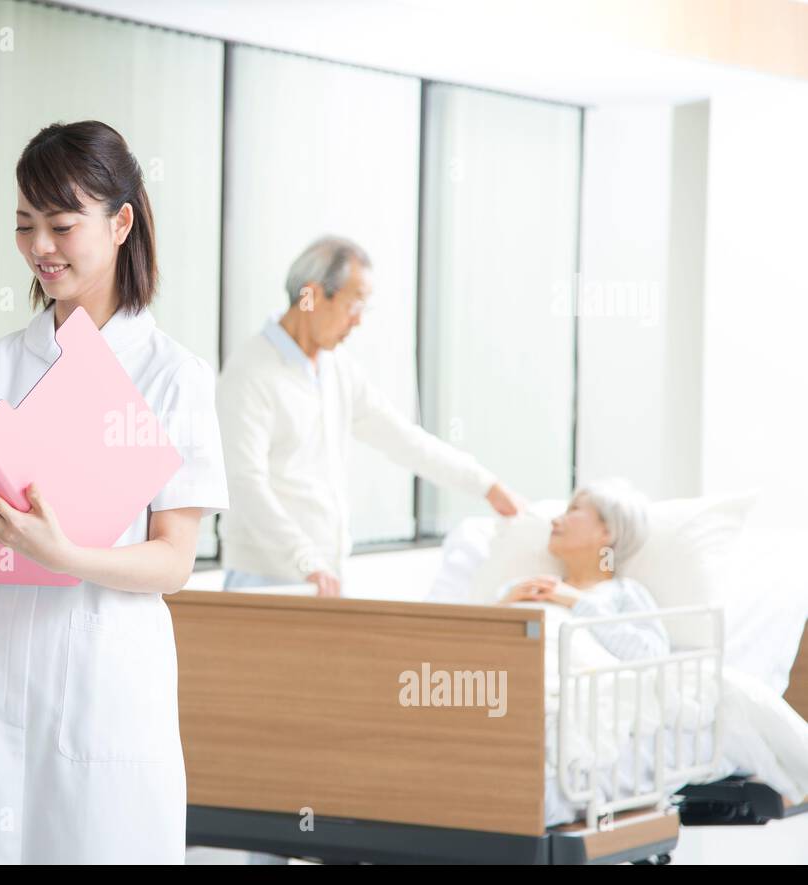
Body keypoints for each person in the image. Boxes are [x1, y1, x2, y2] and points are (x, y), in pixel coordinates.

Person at [0, 121, 228, 864]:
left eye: (61, 225)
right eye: (25, 225)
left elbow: (173, 561)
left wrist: (60, 551)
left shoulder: (170, 374)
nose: (39, 248)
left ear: (120, 222)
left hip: (106, 674)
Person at [217, 236, 522, 596]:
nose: (358, 321)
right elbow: (243, 485)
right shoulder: (250, 373)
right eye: (354, 303)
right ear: (313, 295)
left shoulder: (337, 369)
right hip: (265, 579)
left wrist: (486, 485)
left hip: (323, 577)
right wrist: (305, 560)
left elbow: (403, 439)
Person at [498, 478, 668, 659]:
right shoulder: (526, 588)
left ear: (607, 531)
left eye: (574, 510)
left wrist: (578, 602)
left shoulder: (623, 593)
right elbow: (474, 644)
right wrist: (501, 609)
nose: (555, 521)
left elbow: (651, 656)